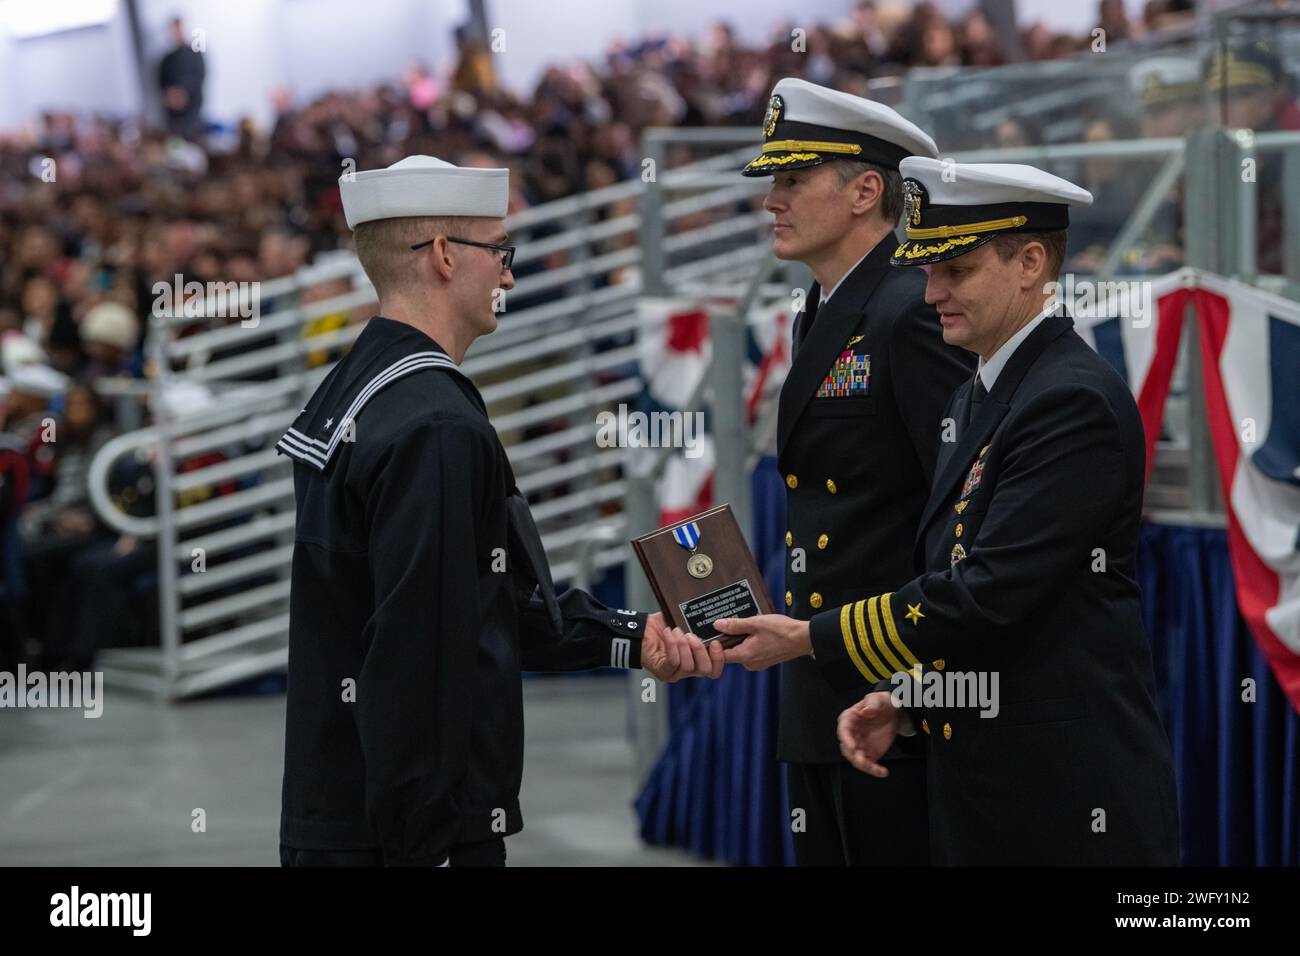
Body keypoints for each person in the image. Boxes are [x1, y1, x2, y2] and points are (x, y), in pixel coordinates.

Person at [717, 158, 1180, 865]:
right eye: (927, 270)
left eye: (954, 271)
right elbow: (962, 581)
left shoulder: (1068, 401)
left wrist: (810, 636)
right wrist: (910, 696)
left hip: (1062, 793)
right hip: (986, 782)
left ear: (1029, 263)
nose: (930, 294)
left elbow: (988, 596)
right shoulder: (979, 393)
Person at [275, 155, 722, 867]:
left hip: (342, 813)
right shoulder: (435, 425)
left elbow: (475, 602)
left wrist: (629, 636)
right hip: (414, 834)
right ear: (446, 257)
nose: (509, 275)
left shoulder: (363, 387)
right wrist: (428, 842)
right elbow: (417, 655)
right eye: (499, 251)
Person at [740, 78, 973, 866]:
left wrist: (915, 690)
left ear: (867, 190)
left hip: (891, 693)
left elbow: (959, 517)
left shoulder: (909, 308)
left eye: (792, 180)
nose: (772, 200)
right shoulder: (829, 305)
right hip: (824, 675)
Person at [158, 17, 206, 138]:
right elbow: (162, 83)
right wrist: (171, 96)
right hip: (173, 115)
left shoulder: (195, 55)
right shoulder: (167, 59)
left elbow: (199, 78)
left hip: (192, 112)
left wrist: (184, 93)